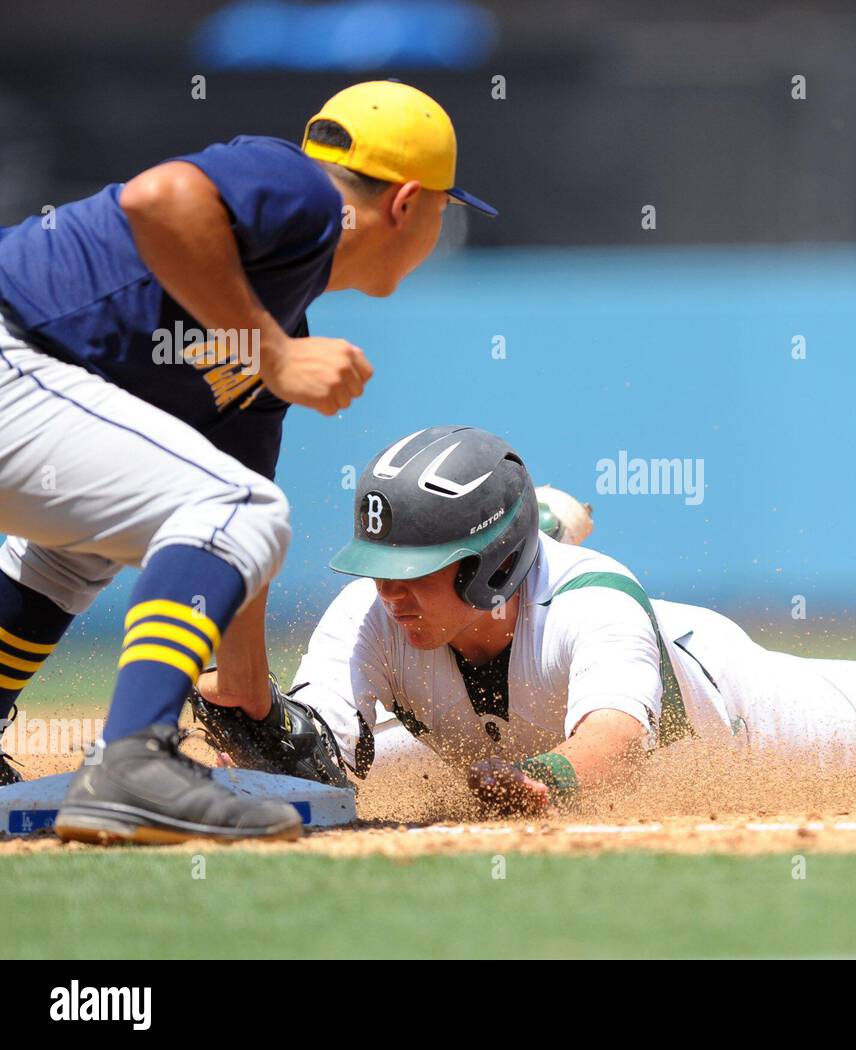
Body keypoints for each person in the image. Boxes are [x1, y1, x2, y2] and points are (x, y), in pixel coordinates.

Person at [194, 363, 856, 816]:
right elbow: (320, 744)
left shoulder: (597, 608)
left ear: (484, 564)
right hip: (543, 646)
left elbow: (610, 743)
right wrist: (251, 731)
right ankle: (558, 515)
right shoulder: (373, 613)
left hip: (726, 696)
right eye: (377, 572)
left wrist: (538, 786)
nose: (387, 596)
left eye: (414, 573)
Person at [0, 80, 495, 843]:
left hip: (23, 385)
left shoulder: (272, 312)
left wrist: (246, 694)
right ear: (405, 202)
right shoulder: (301, 189)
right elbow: (158, 197)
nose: (437, 228)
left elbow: (235, 523)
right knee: (236, 511)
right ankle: (132, 761)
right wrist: (275, 354)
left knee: (105, 541)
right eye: (443, 209)